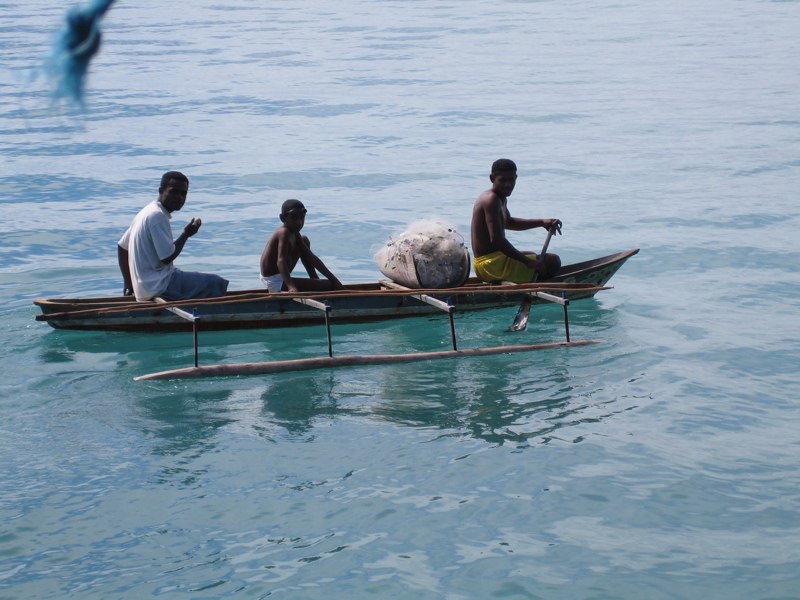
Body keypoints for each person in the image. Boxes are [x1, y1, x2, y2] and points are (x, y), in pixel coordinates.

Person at [117, 171, 229, 301]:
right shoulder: (157, 216)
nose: (180, 197)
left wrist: (129, 284)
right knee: (216, 283)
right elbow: (166, 257)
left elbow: (121, 246)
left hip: (145, 289)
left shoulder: (145, 212)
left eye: (183, 193)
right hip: (160, 286)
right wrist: (186, 235)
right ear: (161, 190)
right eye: (174, 192)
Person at [471, 158, 562, 283]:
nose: (508, 185)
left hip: (492, 262)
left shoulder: (500, 198)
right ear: (492, 179)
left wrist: (542, 222)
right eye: (502, 180)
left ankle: (526, 277)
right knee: (553, 261)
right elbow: (497, 240)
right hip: (491, 266)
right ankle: (531, 283)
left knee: (533, 255)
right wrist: (528, 262)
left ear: (516, 178)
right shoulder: (491, 200)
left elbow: (509, 222)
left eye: (511, 179)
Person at [260, 199, 343, 293]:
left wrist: (334, 279)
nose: (299, 222)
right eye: (294, 217)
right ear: (283, 218)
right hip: (275, 281)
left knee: (304, 240)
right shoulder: (284, 232)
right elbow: (281, 261)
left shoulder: (295, 233)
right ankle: (313, 284)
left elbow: (311, 257)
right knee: (329, 285)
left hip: (280, 279)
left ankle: (314, 278)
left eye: (302, 217)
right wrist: (291, 286)